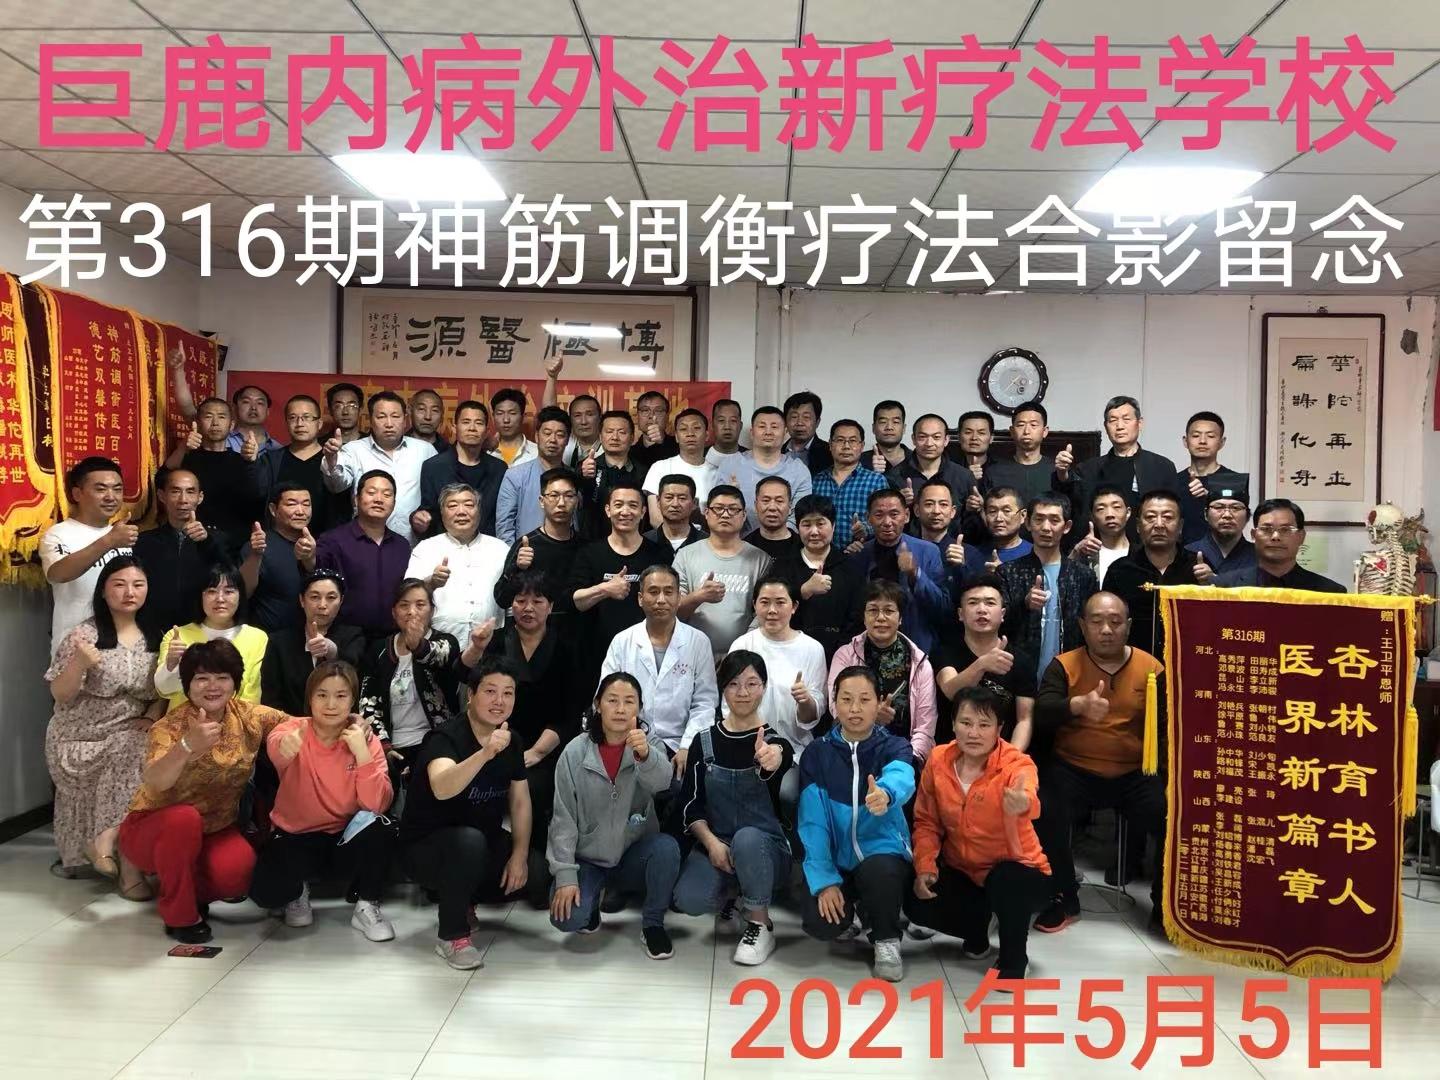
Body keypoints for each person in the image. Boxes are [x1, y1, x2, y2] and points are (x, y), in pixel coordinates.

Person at [119, 639, 292, 942]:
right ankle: (180, 916)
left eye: (222, 677)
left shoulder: (248, 716)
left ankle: (188, 890)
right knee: (183, 819)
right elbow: (155, 781)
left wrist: (352, 722)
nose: (212, 686)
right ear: (187, 685)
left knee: (239, 871)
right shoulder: (168, 727)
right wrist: (187, 746)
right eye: (202, 678)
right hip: (152, 828)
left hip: (214, 828)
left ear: (235, 683)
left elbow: (301, 724)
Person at [1033, 592, 1167, 931]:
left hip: (1136, 771)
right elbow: (1042, 712)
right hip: (1073, 768)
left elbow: (1168, 726)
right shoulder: (1064, 665)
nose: (1106, 629)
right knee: (1044, 809)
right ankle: (1064, 898)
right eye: (1097, 621)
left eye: (1115, 622)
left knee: (1170, 814)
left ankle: (1164, 904)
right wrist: (1075, 706)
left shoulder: (1152, 669)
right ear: (1082, 626)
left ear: (1129, 626)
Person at [403, 656, 546, 968]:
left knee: (536, 873)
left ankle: (465, 898)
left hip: (481, 842)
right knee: (469, 842)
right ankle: (452, 936)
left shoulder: (511, 739)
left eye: (508, 693)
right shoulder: (444, 737)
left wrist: (519, 855)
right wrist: (486, 753)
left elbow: (520, 801)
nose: (499, 701)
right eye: (490, 691)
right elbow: (442, 786)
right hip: (428, 849)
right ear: (471, 694)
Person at [906, 686, 1052, 979]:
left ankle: (1013, 960)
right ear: (953, 724)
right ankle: (977, 930)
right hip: (964, 870)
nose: (974, 733)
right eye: (966, 723)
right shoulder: (938, 760)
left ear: (1000, 728)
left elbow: (1028, 790)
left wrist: (1022, 802)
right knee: (911, 895)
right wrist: (925, 867)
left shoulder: (1016, 762)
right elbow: (927, 822)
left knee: (1008, 879)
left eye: (984, 725)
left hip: (1020, 872)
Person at [249, 661, 397, 941]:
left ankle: (367, 903)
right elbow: (278, 747)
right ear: (310, 699)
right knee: (265, 893)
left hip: (345, 837)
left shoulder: (365, 739)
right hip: (297, 837)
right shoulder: (292, 729)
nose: (331, 704)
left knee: (382, 826)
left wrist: (362, 754)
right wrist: (287, 746)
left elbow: (377, 804)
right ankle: (297, 891)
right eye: (322, 695)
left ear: (352, 700)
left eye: (341, 696)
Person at [46, 556, 163, 894]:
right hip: (79, 736)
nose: (129, 592)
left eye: (138, 585)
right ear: (103, 590)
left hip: (128, 731)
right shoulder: (83, 635)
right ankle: (128, 872)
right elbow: (60, 694)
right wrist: (79, 664)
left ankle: (108, 843)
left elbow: (163, 692)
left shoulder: (157, 637)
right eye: (119, 584)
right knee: (133, 750)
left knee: (137, 746)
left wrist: (152, 715)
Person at [548, 672, 682, 960]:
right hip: (588, 859)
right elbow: (562, 820)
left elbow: (663, 784)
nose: (621, 709)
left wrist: (645, 756)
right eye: (612, 700)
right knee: (567, 919)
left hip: (632, 854)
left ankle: (653, 924)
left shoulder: (648, 744)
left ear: (639, 708)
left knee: (666, 848)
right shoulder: (575, 752)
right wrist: (566, 875)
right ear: (598, 704)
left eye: (629, 701)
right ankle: (590, 905)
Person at [673, 651, 795, 965]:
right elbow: (691, 806)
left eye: (752, 683)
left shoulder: (773, 742)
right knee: (688, 898)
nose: (743, 692)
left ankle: (760, 923)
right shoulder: (704, 741)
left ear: (764, 687)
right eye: (734, 683)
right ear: (722, 689)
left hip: (764, 850)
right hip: (719, 850)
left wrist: (773, 757)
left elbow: (780, 756)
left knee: (748, 838)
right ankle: (735, 895)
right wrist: (711, 844)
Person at [797, 665, 915, 982]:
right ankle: (855, 914)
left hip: (880, 851)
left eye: (864, 699)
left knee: (881, 873)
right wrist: (825, 881)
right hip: (838, 858)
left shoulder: (894, 746)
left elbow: (903, 776)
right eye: (846, 699)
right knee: (820, 922)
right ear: (834, 704)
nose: (855, 708)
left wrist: (886, 794)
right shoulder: (817, 753)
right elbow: (813, 823)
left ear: (879, 703)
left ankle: (886, 939)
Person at [482, 571, 586, 851]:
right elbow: (482, 699)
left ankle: (532, 856)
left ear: (550, 606)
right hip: (497, 742)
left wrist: (536, 753)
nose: (528, 608)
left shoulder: (566, 647)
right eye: (520, 600)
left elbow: (570, 712)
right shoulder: (495, 642)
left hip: (547, 746)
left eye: (537, 601)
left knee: (534, 786)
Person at [599, 565, 718, 786]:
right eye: (653, 592)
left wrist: (688, 746)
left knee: (682, 788)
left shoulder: (698, 642)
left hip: (678, 743)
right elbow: (607, 699)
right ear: (640, 598)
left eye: (668, 592)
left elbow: (705, 703)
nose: (661, 600)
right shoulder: (622, 641)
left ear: (679, 597)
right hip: (628, 741)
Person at [358, 578, 487, 779]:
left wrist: (417, 645)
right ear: (394, 612)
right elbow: (368, 702)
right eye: (404, 605)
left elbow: (436, 655)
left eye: (420, 605)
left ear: (432, 611)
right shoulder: (378, 650)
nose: (412, 612)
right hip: (392, 747)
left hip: (438, 743)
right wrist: (383, 746)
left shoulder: (446, 641)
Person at [728, 577, 827, 795]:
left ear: (794, 606)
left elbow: (813, 716)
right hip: (745, 744)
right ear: (754, 605)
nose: (772, 610)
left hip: (793, 747)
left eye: (780, 602)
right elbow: (728, 707)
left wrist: (805, 700)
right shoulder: (742, 644)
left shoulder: (812, 649)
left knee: (786, 792)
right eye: (764, 602)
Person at [828, 580, 938, 767]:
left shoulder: (920, 663)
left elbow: (925, 727)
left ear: (900, 618)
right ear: (864, 617)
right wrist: (871, 718)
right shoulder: (845, 656)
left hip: (905, 756)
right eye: (873, 610)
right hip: (851, 753)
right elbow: (836, 710)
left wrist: (904, 762)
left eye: (889, 610)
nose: (880, 618)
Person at [569, 482, 672, 681]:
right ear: (608, 510)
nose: (625, 511)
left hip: (647, 654)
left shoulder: (659, 553)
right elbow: (576, 601)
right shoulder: (589, 553)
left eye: (633, 505)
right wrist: (605, 589)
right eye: (618, 505)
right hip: (596, 654)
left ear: (643, 512)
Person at [41, 457, 137, 656]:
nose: (111, 497)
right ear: (77, 494)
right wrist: (109, 541)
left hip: (121, 647)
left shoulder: (124, 534)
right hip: (75, 646)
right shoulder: (59, 534)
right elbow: (58, 573)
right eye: (101, 489)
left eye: (117, 489)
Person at [997, 493, 1099, 681]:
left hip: (1072, 673)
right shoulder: (1008, 572)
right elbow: (997, 625)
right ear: (1028, 523)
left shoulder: (1083, 576)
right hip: (1019, 675)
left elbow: (1091, 628)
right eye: (1039, 519)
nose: (1046, 527)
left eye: (1054, 520)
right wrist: (1024, 604)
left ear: (1067, 526)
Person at [933, 574, 1037, 751]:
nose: (982, 609)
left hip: (1001, 754)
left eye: (990, 603)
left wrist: (1010, 759)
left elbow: (1024, 720)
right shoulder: (944, 652)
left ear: (1002, 614)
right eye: (973, 603)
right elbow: (951, 691)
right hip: (952, 754)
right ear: (960, 614)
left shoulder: (1021, 660)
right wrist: (982, 664)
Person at [322, 390, 437, 543]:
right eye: (381, 417)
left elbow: (439, 495)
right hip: (366, 543)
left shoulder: (425, 450)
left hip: (414, 543)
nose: (389, 424)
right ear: (370, 420)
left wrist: (428, 517)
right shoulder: (353, 450)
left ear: (405, 420)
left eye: (395, 416)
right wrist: (331, 461)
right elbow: (337, 486)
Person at [134, 467, 235, 640]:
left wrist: (206, 542)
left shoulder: (218, 539)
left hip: (204, 632)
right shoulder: (144, 541)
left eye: (190, 492)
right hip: (155, 633)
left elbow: (232, 579)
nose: (183, 500)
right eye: (175, 491)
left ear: (200, 497)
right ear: (162, 496)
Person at [1105, 490, 1208, 656]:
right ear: (1138, 526)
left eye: (1167, 517)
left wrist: (1212, 585)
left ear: (1180, 526)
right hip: (1133, 663)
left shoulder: (1199, 567)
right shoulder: (1120, 570)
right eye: (1150, 517)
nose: (1159, 524)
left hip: (1187, 661)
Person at [849, 487, 951, 654]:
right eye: (879, 515)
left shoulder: (928, 551)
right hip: (869, 646)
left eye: (894, 514)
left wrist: (915, 573)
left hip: (916, 646)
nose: (887, 522)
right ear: (869, 518)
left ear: (907, 515)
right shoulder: (860, 554)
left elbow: (942, 608)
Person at [675, 486, 773, 659]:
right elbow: (672, 610)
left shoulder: (760, 559)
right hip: (692, 654)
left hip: (744, 656)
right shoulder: (685, 555)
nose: (725, 515)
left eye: (733, 509)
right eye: (718, 508)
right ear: (706, 513)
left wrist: (743, 649)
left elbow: (765, 611)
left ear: (744, 515)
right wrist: (698, 596)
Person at [314, 470, 411, 644]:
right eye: (371, 492)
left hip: (392, 640)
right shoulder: (332, 540)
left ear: (394, 503)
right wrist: (307, 557)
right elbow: (313, 578)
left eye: (387, 495)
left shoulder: (402, 546)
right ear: (356, 499)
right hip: (344, 639)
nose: (379, 499)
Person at [155, 566, 268, 711]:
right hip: (186, 722)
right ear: (200, 597)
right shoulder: (177, 636)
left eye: (229, 591)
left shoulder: (258, 638)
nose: (220, 599)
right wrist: (171, 665)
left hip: (242, 721)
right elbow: (164, 690)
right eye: (211, 591)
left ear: (240, 596)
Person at [406, 483, 508, 640]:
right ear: (442, 513)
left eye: (469, 505)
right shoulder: (425, 548)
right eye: (452, 506)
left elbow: (512, 603)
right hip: (438, 643)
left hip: (491, 643)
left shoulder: (501, 549)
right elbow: (408, 597)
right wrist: (431, 583)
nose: (461, 512)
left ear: (479, 511)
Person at [261, 569, 366, 717]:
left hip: (340, 725)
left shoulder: (354, 636)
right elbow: (271, 698)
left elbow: (356, 677)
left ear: (341, 601)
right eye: (315, 597)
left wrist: (332, 651)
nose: (322, 605)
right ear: (302, 600)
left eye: (331, 597)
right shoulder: (279, 642)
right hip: (291, 726)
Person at [772, 494, 863, 662]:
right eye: (806, 524)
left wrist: (840, 655)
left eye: (820, 524)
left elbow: (857, 618)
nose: (814, 532)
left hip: (840, 657)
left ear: (833, 526)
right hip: (788, 654)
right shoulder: (782, 566)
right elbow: (772, 611)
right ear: (798, 528)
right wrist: (803, 591)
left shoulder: (850, 567)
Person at [1055, 395, 1180, 517]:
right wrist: (1062, 474)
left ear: (1139, 423)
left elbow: (1174, 512)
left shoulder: (1162, 466)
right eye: (1113, 420)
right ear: (1106, 426)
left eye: (1126, 419)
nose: (1120, 426)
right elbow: (1071, 505)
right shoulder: (1088, 469)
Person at [167, 397, 264, 552]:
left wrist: (252, 462)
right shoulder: (187, 459)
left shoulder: (242, 461)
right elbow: (162, 480)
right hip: (193, 539)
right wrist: (183, 447)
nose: (215, 423)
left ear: (231, 425)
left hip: (235, 545)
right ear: (198, 423)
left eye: (222, 417)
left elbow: (258, 498)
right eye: (208, 416)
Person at [248, 394, 346, 535]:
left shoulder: (333, 458)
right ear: (286, 423)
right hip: (281, 541)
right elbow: (257, 494)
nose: (300, 423)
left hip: (327, 541)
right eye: (293, 418)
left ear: (319, 424)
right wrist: (251, 462)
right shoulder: (272, 459)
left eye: (306, 417)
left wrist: (333, 461)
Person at [495, 467, 583, 617]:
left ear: (576, 501)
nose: (561, 503)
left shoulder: (586, 547)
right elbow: (501, 599)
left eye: (569, 496)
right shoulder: (526, 545)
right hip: (535, 628)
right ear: (542, 501)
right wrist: (517, 568)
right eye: (554, 495)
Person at [416, 400, 506, 541]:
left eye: (479, 423)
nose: (472, 428)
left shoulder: (499, 468)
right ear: (454, 427)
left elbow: (502, 515)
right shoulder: (433, 466)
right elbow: (427, 513)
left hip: (486, 546)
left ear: (487, 431)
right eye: (466, 422)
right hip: (445, 546)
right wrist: (417, 519)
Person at [1214, 499, 1347, 592]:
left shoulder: (1330, 593)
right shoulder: (1223, 587)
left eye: (1285, 530)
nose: (1275, 536)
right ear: (1254, 535)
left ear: (1301, 537)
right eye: (1266, 529)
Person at [239, 481, 317, 634]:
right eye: (292, 504)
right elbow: (242, 593)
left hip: (311, 637)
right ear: (273, 510)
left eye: (306, 504)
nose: (300, 511)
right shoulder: (258, 545)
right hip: (269, 638)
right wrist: (256, 555)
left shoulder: (318, 544)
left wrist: (311, 558)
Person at [723, 406, 812, 533]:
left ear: (785, 432)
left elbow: (799, 516)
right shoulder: (730, 465)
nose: (768, 432)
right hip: (738, 541)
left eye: (774, 427)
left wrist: (774, 539)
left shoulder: (799, 470)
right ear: (752, 432)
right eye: (762, 426)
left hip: (784, 541)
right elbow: (720, 512)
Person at [810, 418, 891, 551]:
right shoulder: (817, 481)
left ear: (862, 446)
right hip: (821, 554)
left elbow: (885, 519)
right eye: (840, 440)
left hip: (861, 553)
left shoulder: (876, 481)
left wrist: (865, 529)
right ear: (830, 445)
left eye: (852, 441)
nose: (846, 446)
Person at [496, 405, 573, 543]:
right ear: (537, 436)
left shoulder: (573, 476)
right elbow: (504, 527)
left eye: (560, 435)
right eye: (547, 433)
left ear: (567, 440)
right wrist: (515, 554)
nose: (553, 440)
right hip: (527, 552)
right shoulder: (515, 476)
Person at [887, 413, 976, 521]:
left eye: (936, 437)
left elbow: (971, 521)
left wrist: (977, 508)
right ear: (913, 439)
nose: (929, 443)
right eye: (922, 437)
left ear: (946, 440)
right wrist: (898, 503)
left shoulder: (964, 476)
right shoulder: (894, 476)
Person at [1176, 411, 1247, 546]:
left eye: (1210, 436)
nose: (1202, 441)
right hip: (1180, 555)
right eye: (1196, 435)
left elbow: (1237, 525)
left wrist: (1211, 497)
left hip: (1223, 555)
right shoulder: (1172, 481)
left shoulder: (1235, 481)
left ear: (1221, 442)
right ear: (1185, 441)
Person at [908, 478, 988, 594]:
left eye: (943, 504)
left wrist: (962, 568)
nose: (936, 511)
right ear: (916, 510)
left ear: (953, 512)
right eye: (929, 504)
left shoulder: (970, 553)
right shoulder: (907, 549)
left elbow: (979, 595)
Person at [583, 410, 648, 537]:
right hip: (592, 541)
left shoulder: (643, 472)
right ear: (600, 437)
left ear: (632, 438)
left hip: (634, 541)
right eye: (609, 432)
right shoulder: (587, 468)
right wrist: (583, 477)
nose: (615, 437)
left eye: (622, 432)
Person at [985, 401, 1060, 509]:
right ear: (1012, 431)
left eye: (1033, 425)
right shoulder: (994, 471)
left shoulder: (1057, 471)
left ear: (1045, 431)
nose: (1026, 431)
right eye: (1020, 425)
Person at [1185, 485, 1256, 576]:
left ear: (1248, 516)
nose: (1227, 515)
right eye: (1218, 507)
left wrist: (1216, 580)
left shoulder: (1260, 556)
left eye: (1235, 508)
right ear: (1206, 514)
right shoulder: (1188, 553)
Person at [1068, 485, 1131, 586]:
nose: (1110, 514)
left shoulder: (1141, 554)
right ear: (1092, 516)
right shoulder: (1085, 553)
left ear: (1128, 513)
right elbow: (1062, 584)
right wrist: (1075, 553)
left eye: (1116, 507)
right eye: (1101, 509)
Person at [744, 475, 802, 561]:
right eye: (766, 501)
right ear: (756, 506)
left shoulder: (804, 548)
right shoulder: (744, 549)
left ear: (790, 507)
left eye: (779, 501)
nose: (772, 507)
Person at [645, 473, 707, 551]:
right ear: (658, 501)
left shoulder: (707, 544)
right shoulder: (643, 543)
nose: (675, 504)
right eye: (669, 497)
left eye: (682, 498)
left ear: (694, 503)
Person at [981, 487, 1033, 568]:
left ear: (1023, 515)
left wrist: (1002, 572)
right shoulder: (975, 554)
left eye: (1006, 511)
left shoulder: (1035, 553)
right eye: (992, 511)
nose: (999, 518)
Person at [224, 385, 283, 456]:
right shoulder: (222, 443)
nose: (253, 407)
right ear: (235, 408)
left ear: (267, 411)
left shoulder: (278, 449)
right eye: (246, 402)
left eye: (260, 403)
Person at [783, 389, 831, 474]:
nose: (799, 423)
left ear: (817, 422)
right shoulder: (777, 451)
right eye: (794, 417)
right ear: (785, 421)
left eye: (806, 417)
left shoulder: (830, 453)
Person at [631, 389, 680, 471]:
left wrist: (661, 444)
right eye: (645, 410)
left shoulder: (680, 447)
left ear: (667, 416)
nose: (651, 416)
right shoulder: (629, 453)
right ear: (637, 416)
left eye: (658, 411)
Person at [490, 387, 537, 468]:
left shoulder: (537, 453)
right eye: (500, 413)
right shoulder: (485, 452)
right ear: (493, 416)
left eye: (512, 413)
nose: (506, 420)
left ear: (523, 417)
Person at [868, 400, 910, 474]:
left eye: (896, 422)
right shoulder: (859, 462)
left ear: (904, 428)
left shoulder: (918, 460)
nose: (889, 427)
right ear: (873, 428)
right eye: (883, 422)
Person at [706, 397, 746, 474]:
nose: (727, 427)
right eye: (721, 420)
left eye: (733, 421)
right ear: (712, 425)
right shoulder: (700, 456)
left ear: (740, 426)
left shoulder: (750, 459)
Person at [564, 392, 602, 468]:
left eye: (590, 414)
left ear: (600, 417)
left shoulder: (610, 446)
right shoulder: (564, 443)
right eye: (577, 415)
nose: (583, 422)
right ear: (570, 419)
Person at [408, 388, 450, 453]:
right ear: (409, 410)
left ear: (442, 413)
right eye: (421, 409)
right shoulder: (395, 446)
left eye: (434, 410)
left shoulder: (449, 452)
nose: (428, 417)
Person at [325, 382, 365, 446]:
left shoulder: (371, 444)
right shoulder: (319, 446)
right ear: (330, 410)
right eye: (338, 406)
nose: (345, 412)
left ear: (360, 409)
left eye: (351, 406)